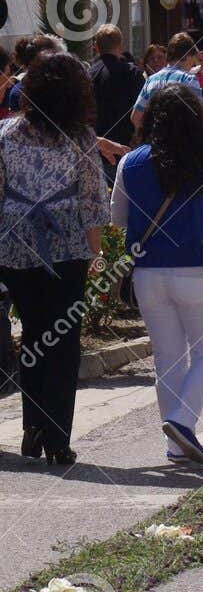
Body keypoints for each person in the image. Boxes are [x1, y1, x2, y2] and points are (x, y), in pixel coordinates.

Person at [111, 86, 203, 465]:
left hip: (148, 272)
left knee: (167, 358)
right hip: (199, 268)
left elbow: (117, 219)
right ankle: (182, 423)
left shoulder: (129, 163)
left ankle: (174, 445)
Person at [0, 52, 110, 465]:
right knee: (62, 341)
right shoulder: (81, 137)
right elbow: (93, 202)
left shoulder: (6, 133)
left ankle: (32, 428)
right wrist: (97, 254)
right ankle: (57, 439)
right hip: (66, 249)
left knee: (32, 335)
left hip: (14, 245)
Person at [132, 32, 203, 131]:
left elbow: (135, 117)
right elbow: (200, 118)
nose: (193, 64)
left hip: (154, 143)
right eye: (193, 59)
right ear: (187, 56)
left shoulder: (151, 80)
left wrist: (151, 135)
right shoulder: (188, 79)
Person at [89, 25, 142, 162]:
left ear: (96, 47)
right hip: (127, 150)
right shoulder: (133, 74)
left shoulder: (87, 75)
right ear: (119, 46)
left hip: (97, 149)